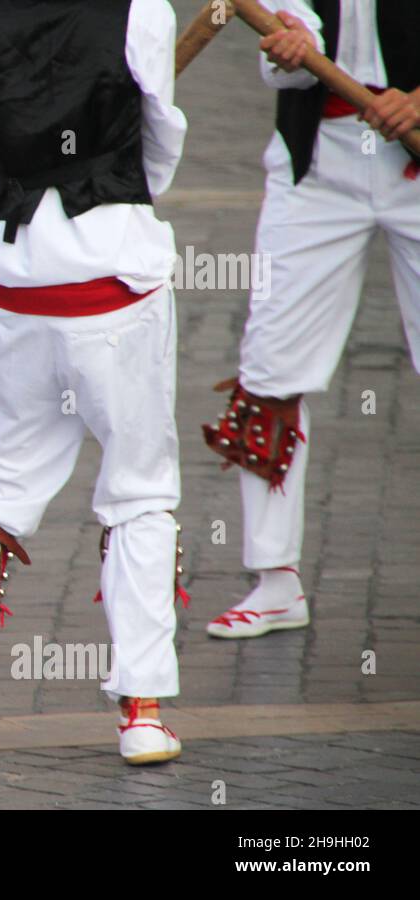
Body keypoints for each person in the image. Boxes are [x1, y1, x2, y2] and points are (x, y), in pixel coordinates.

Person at [0, 0, 190, 766]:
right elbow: (161, 146)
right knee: (139, 490)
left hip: (12, 283)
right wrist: (98, 206)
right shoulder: (143, 9)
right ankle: (143, 711)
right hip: (114, 278)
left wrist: (28, 209)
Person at [202, 0, 420, 640]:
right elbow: (287, 32)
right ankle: (274, 580)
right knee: (271, 363)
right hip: (317, 166)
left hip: (413, 165)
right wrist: (293, 48)